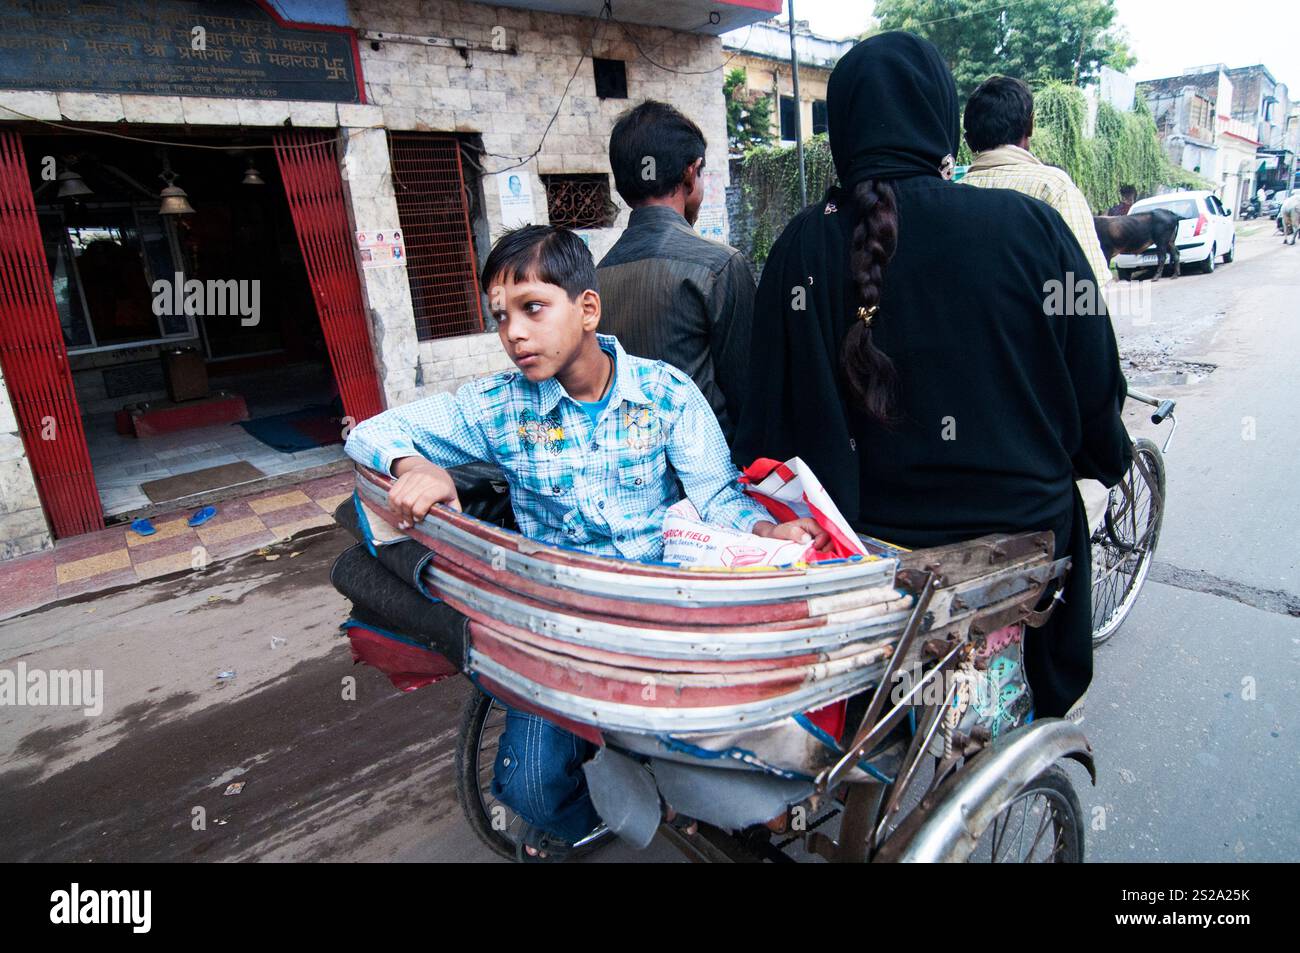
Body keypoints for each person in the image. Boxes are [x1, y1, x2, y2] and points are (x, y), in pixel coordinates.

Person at [345, 224, 825, 859]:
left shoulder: (666, 394)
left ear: (587, 308)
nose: (514, 333)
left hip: (662, 616)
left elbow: (716, 498)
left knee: (739, 766)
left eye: (532, 308)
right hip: (554, 630)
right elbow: (368, 431)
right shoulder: (496, 407)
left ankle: (682, 802)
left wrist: (764, 532)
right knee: (530, 790)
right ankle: (611, 825)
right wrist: (412, 466)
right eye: (500, 317)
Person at [732, 32, 1132, 720]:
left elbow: (765, 422)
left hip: (867, 555)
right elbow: (1095, 383)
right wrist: (1106, 455)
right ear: (942, 120)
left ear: (845, 127)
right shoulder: (1030, 226)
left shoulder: (803, 243)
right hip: (1019, 542)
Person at [597, 100, 756, 440]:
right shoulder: (719, 266)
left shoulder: (593, 279)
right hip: (713, 474)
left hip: (634, 474)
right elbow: (748, 393)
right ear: (690, 171)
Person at [960, 75, 1113, 287]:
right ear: (1030, 125)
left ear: (968, 141)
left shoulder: (948, 198)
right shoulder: (1053, 188)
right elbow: (1086, 289)